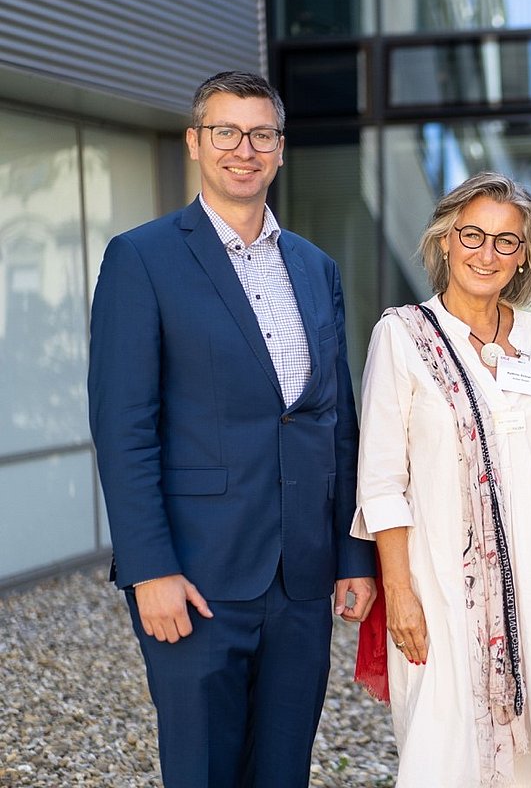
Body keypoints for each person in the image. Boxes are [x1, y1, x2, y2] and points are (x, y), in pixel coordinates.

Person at [87, 71, 377, 787]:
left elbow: (335, 419)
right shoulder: (142, 258)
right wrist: (150, 567)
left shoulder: (316, 268)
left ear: (280, 149)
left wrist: (352, 554)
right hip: (196, 575)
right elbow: (124, 428)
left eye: (260, 134)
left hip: (303, 576)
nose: (243, 149)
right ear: (194, 142)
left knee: (284, 770)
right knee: (203, 770)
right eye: (226, 131)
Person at [351, 172, 531, 787]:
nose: (487, 254)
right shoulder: (402, 336)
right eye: (473, 235)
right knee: (446, 751)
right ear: (445, 240)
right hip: (444, 591)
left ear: (523, 257)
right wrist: (401, 593)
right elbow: (382, 479)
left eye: (506, 241)